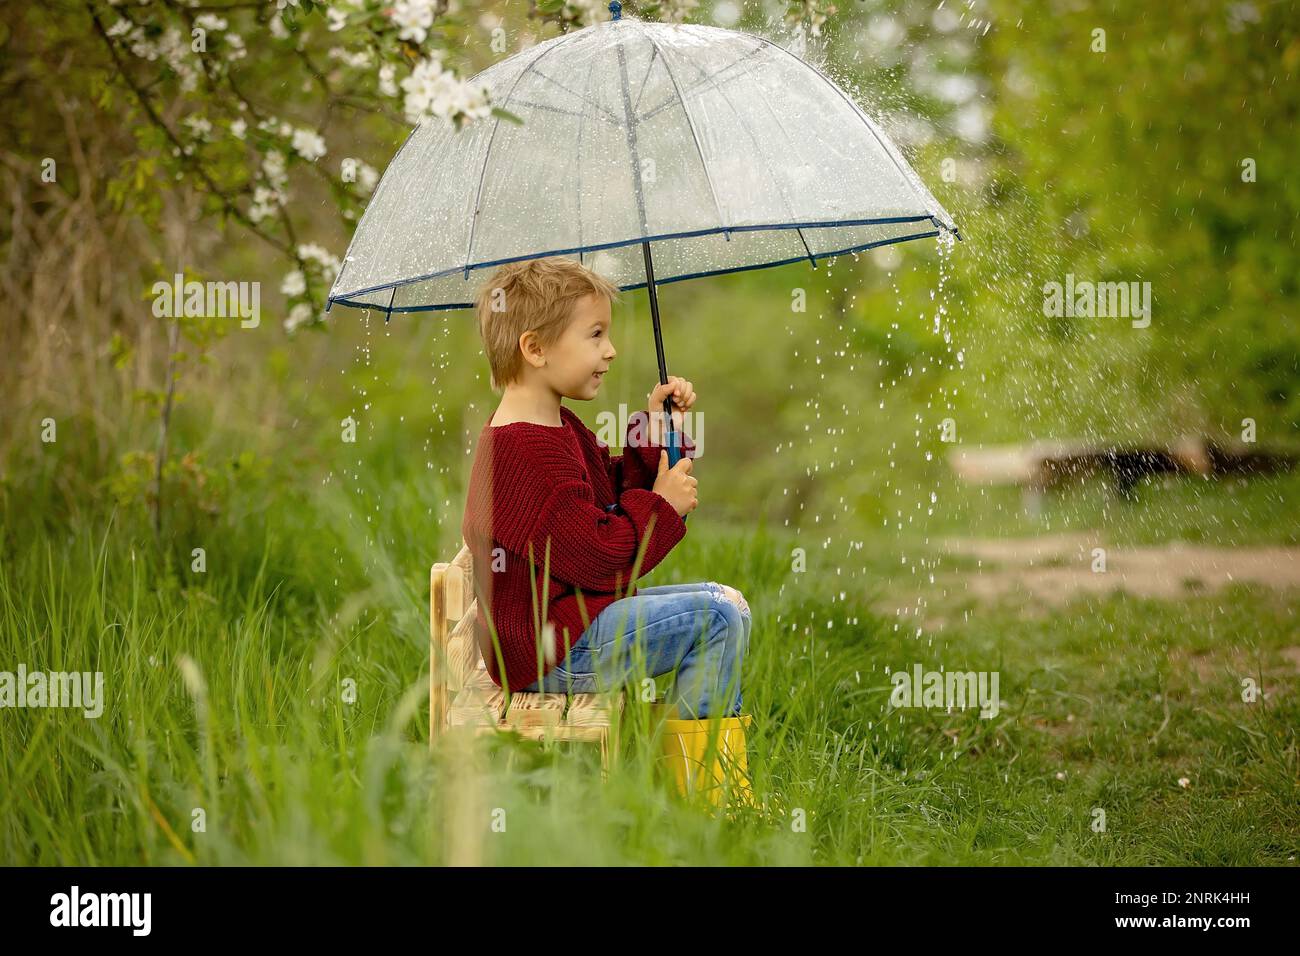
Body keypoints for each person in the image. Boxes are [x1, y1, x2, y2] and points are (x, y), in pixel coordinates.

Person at [460, 256, 750, 722]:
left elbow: (604, 491)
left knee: (728, 601)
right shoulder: (523, 454)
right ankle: (701, 780)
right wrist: (662, 507)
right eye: (595, 335)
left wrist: (655, 429)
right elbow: (602, 556)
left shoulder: (551, 425)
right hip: (550, 652)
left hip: (570, 622)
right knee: (716, 618)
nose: (611, 349)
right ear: (535, 348)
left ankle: (681, 757)